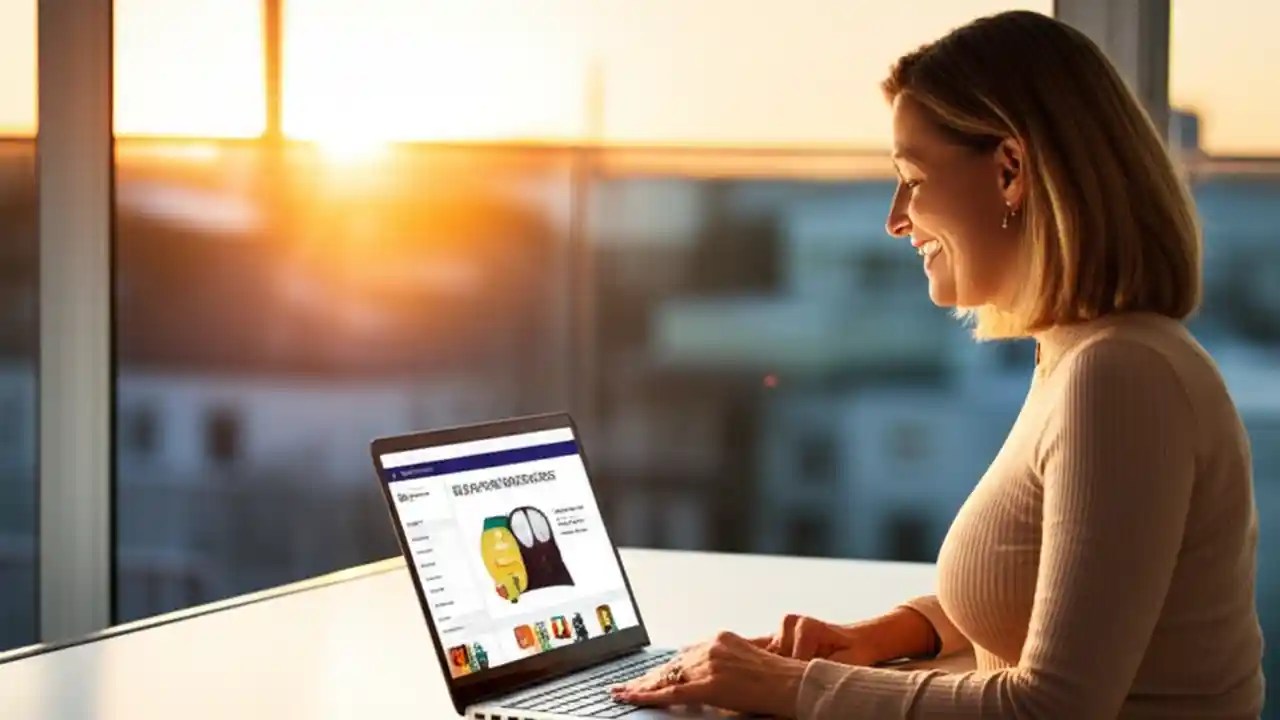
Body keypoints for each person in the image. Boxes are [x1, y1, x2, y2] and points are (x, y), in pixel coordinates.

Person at [612, 10, 1265, 718]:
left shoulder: (1121, 379)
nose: (896, 218)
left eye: (912, 178)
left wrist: (787, 687)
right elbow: (1056, 600)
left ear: (1011, 171)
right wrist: (884, 635)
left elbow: (1053, 708)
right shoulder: (1085, 357)